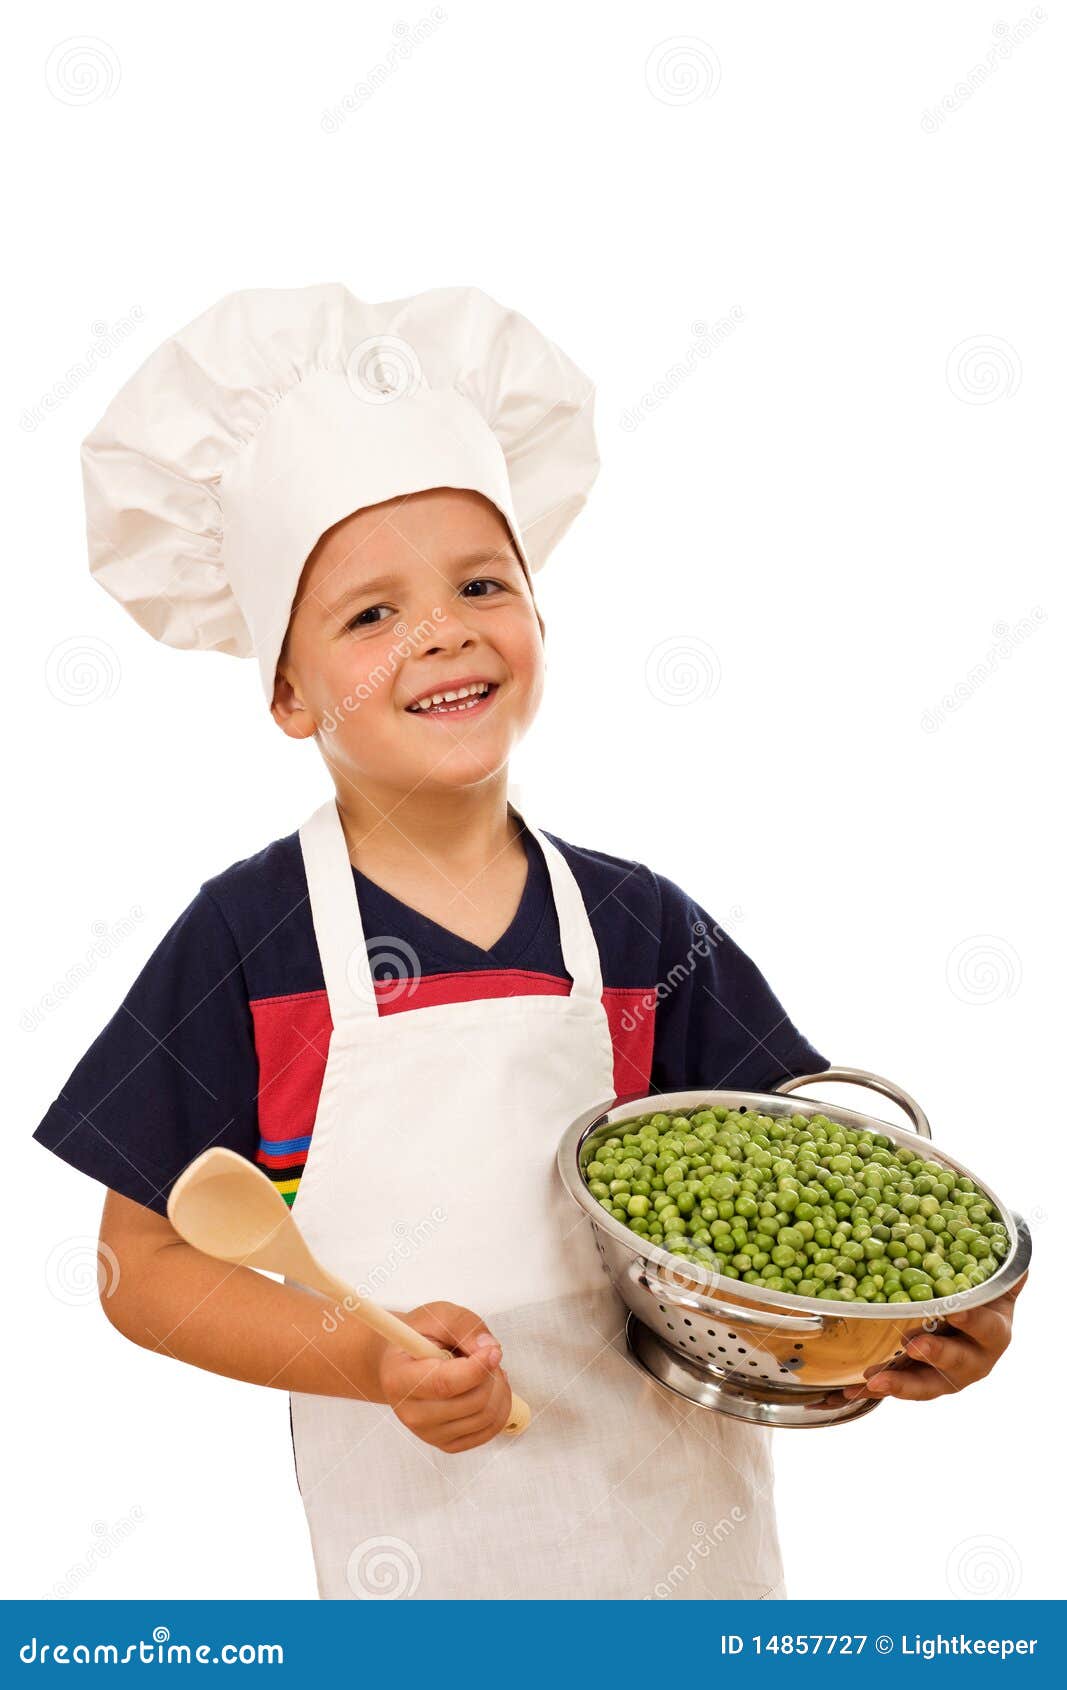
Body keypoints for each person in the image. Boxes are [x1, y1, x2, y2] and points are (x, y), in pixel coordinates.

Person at [33, 283, 1022, 1601]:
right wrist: (361, 1356)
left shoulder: (643, 929)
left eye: (481, 583)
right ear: (286, 688)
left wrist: (930, 1316)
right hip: (423, 1592)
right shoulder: (247, 941)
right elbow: (139, 1264)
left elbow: (814, 1196)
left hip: (691, 1582)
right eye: (369, 614)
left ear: (539, 622)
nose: (440, 627)